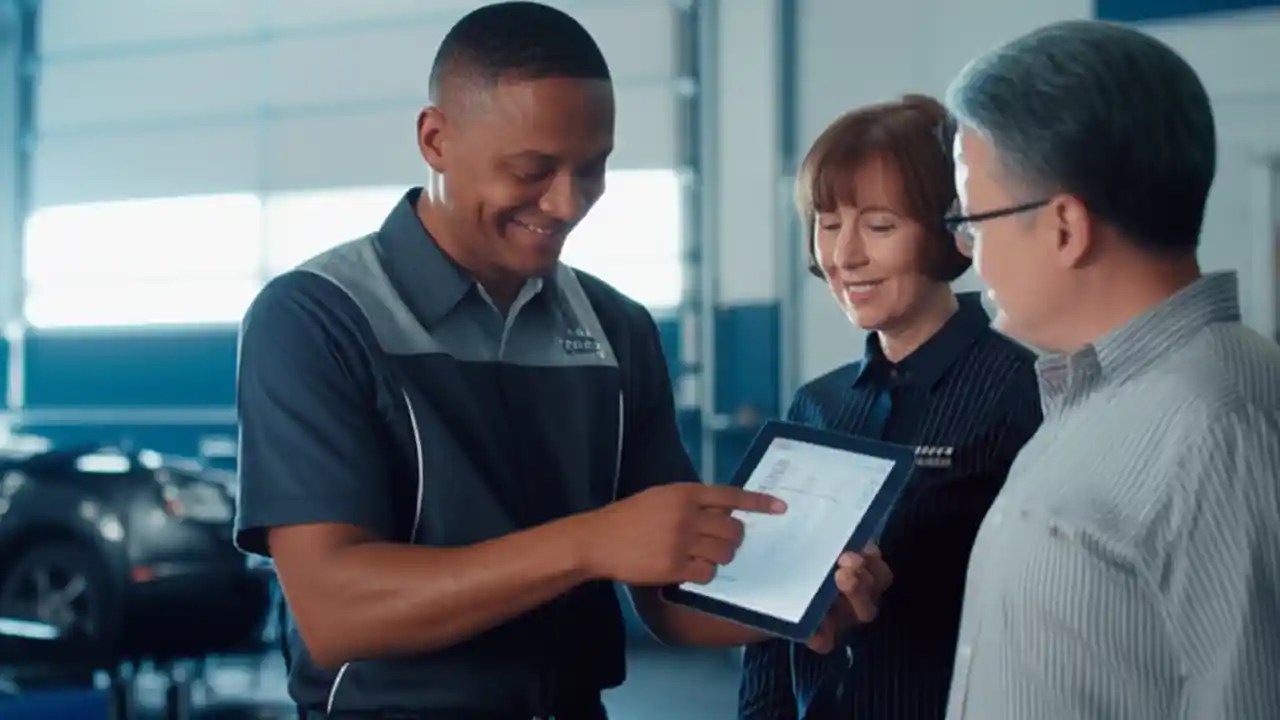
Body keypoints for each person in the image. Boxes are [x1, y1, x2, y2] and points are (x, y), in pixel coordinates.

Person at [233, 3, 886, 718]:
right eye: (532, 170)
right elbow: (335, 612)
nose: (568, 202)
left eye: (594, 169)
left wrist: (800, 607)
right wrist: (590, 543)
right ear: (436, 139)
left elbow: (670, 599)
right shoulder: (316, 319)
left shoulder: (617, 328)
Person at [942, 19, 1280, 720]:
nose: (971, 253)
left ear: (1065, 227)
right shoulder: (1091, 396)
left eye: (974, 221)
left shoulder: (1217, 429)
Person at [738, 95, 1043, 720]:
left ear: (952, 233)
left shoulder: (1023, 393)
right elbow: (769, 630)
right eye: (827, 224)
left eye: (878, 227)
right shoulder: (815, 405)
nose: (845, 255)